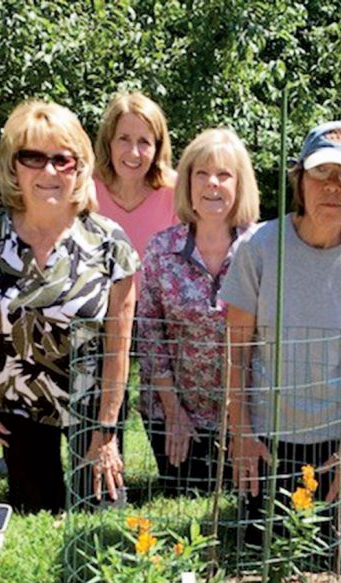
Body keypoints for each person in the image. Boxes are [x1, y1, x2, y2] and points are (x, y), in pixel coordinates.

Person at [219, 120, 341, 551]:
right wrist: (240, 433)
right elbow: (235, 353)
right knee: (259, 558)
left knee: (328, 561)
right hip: (266, 437)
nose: (333, 187)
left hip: (335, 443)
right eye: (322, 173)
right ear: (299, 178)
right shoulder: (258, 247)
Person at [0, 99, 138, 514]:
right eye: (33, 157)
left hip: (92, 404)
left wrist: (108, 429)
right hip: (18, 402)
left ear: (79, 167)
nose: (49, 171)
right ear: (13, 165)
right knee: (35, 510)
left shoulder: (109, 242)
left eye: (63, 159)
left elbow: (119, 341)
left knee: (101, 516)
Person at [136, 128, 260, 494]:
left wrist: (242, 423)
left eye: (224, 175)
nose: (212, 184)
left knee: (241, 499)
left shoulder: (260, 249)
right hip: (174, 412)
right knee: (187, 496)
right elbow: (150, 335)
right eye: (201, 174)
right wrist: (173, 412)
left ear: (240, 184)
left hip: (245, 414)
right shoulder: (161, 248)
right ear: (187, 183)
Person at [92, 92, 178, 264]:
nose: (133, 152)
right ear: (109, 142)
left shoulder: (177, 193)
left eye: (144, 142)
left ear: (157, 148)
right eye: (124, 139)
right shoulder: (86, 189)